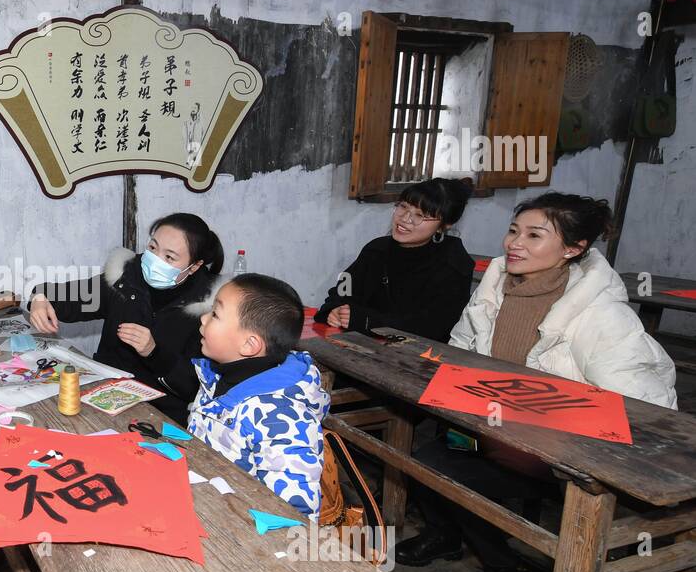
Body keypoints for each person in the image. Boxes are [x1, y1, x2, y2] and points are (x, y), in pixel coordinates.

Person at [399, 192, 678, 572]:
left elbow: (644, 414)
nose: (516, 244)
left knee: (451, 471)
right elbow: (463, 351)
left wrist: (544, 445)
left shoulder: (602, 316)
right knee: (429, 457)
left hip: (572, 456)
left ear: (573, 249)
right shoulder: (495, 286)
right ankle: (452, 536)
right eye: (514, 231)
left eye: (534, 235)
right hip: (499, 431)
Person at [27, 213, 224, 423]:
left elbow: (196, 386)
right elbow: (68, 296)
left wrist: (153, 352)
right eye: (153, 247)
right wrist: (40, 297)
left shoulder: (211, 310)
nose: (155, 260)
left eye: (169, 257)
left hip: (162, 415)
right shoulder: (126, 276)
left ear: (194, 266)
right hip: (103, 397)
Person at [167, 273, 329, 515]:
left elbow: (294, 513)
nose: (202, 318)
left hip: (237, 528)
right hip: (201, 498)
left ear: (249, 346)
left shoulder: (280, 418)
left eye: (215, 314)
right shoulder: (216, 375)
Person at [315, 177, 474, 342]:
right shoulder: (376, 250)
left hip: (417, 358)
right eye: (403, 206)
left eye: (420, 215)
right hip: (362, 346)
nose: (405, 219)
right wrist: (335, 309)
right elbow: (344, 287)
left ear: (444, 225)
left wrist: (367, 321)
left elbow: (433, 328)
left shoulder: (454, 265)